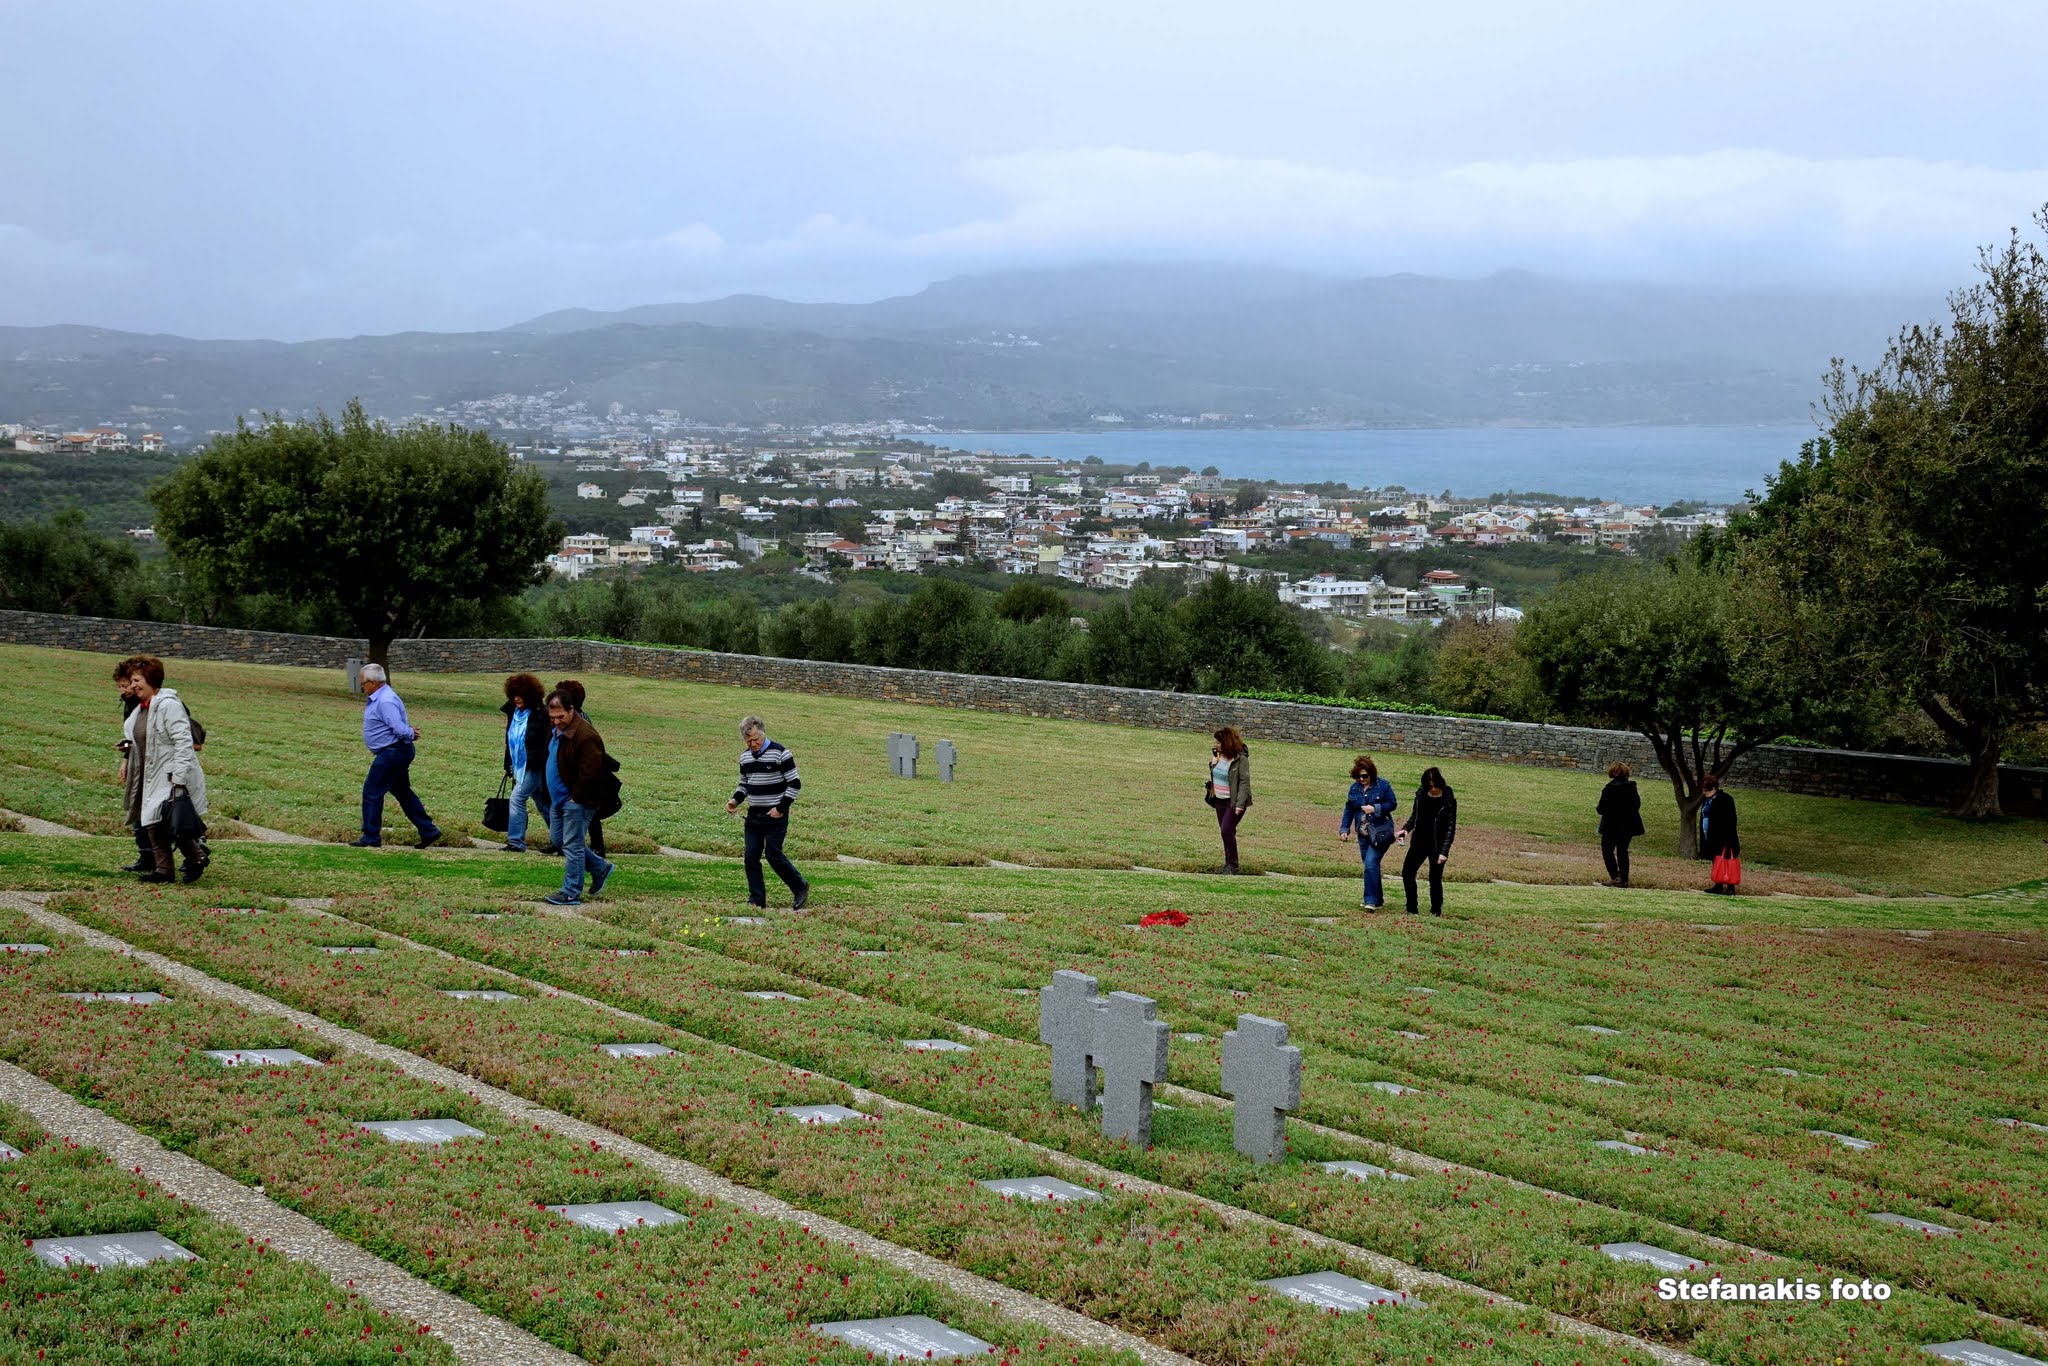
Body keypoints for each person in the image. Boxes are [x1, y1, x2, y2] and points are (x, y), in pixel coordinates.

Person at [127, 655, 209, 884]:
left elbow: (183, 742)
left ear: (150, 679)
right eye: (132, 681)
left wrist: (179, 776)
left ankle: (196, 856)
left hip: (170, 773)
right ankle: (165, 870)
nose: (133, 685)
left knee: (169, 820)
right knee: (154, 820)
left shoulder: (168, 706)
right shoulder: (143, 708)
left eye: (136, 680)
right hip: (151, 772)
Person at [351, 663, 442, 849]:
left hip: (393, 752)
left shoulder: (385, 701)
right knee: (402, 792)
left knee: (372, 791)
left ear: (374, 682)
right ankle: (428, 830)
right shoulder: (381, 698)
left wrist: (409, 733)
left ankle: (371, 836)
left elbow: (400, 729)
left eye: (363, 683)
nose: (362, 686)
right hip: (395, 752)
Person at [539, 687, 615, 905]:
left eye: (560, 717)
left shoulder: (586, 735)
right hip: (558, 800)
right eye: (552, 718)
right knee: (558, 840)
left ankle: (571, 891)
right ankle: (600, 867)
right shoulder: (556, 729)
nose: (556, 722)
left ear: (572, 709)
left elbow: (591, 772)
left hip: (578, 802)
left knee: (572, 846)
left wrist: (576, 798)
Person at [726, 715, 809, 910]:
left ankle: (800, 886)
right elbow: (744, 783)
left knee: (773, 855)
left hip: (776, 814)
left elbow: (795, 784)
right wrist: (735, 800)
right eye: (748, 741)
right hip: (754, 815)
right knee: (751, 857)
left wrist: (781, 808)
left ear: (763, 733)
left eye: (756, 739)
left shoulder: (781, 754)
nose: (753, 744)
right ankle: (757, 899)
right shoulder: (745, 757)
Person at [498, 673, 552, 852]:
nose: (517, 698)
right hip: (520, 765)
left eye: (521, 694)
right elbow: (511, 740)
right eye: (514, 694)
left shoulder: (541, 714)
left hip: (535, 765)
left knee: (517, 798)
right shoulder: (513, 713)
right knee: (542, 804)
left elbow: (546, 741)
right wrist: (509, 763)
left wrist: (539, 761)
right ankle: (563, 840)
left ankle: (516, 842)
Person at [1338, 755, 1398, 911]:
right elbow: (1349, 809)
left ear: (1371, 774)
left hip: (1380, 833)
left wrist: (1375, 808)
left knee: (1371, 863)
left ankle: (1369, 901)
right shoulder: (1354, 788)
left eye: (1364, 776)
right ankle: (1378, 899)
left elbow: (1392, 804)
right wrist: (1345, 829)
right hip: (1363, 834)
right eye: (1358, 776)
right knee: (1371, 866)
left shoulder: (1383, 786)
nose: (1361, 779)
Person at [552, 678, 604, 859]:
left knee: (588, 815)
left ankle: (597, 851)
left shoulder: (581, 723)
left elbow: (589, 762)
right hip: (569, 779)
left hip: (578, 778)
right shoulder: (563, 720)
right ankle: (596, 857)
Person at [1397, 765, 1457, 916]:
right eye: (1430, 787)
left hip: (1437, 844)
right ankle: (1412, 908)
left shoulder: (1448, 800)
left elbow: (1451, 827)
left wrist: (1444, 852)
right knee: (1407, 873)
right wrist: (1405, 829)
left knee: (1434, 878)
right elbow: (1414, 816)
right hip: (1419, 841)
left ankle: (1436, 910)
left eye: (1435, 786)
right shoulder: (1421, 795)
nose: (1433, 789)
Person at [113, 659, 154, 873]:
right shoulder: (130, 704)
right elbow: (132, 737)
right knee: (137, 807)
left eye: (126, 685)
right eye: (120, 686)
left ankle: (194, 844)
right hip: (139, 762)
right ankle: (146, 856)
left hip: (154, 765)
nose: (123, 690)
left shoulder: (156, 703)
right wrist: (125, 757)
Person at [1206, 727, 1252, 874]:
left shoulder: (1240, 759)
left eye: (1218, 742)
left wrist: (1239, 805)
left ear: (1227, 743)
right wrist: (1212, 765)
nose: (1215, 744)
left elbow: (1244, 783)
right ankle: (1229, 864)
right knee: (1226, 832)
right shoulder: (1218, 756)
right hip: (1219, 801)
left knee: (1226, 830)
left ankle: (1233, 865)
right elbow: (1217, 775)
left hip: (1234, 802)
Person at [1596, 761, 1645, 888]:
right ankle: (1624, 879)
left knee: (1607, 850)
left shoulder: (1609, 789)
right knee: (1622, 851)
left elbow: (1601, 809)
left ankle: (1615, 876)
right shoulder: (1632, 788)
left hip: (1610, 825)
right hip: (1628, 825)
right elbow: (1636, 805)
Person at [1700, 772, 1741, 894]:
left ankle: (1730, 886)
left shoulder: (1725, 799)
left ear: (1713, 788)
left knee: (1728, 861)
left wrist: (1727, 839)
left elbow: (1730, 820)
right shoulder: (1707, 801)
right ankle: (1718, 885)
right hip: (1711, 836)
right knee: (1717, 861)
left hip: (1724, 837)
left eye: (1705, 790)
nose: (1704, 793)